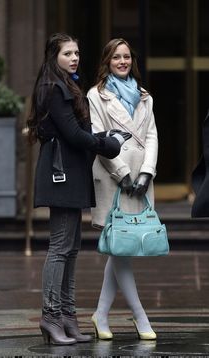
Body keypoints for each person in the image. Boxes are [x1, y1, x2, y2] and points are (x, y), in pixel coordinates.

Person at [26, 33, 131, 346]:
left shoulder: (67, 85)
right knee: (60, 247)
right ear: (53, 56)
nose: (74, 58)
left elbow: (79, 132)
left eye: (77, 52)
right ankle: (50, 316)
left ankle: (68, 317)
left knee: (71, 247)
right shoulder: (53, 88)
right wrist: (107, 145)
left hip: (72, 171)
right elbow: (72, 134)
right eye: (67, 53)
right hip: (61, 172)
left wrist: (103, 138)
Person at [87, 38, 158, 340]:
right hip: (114, 177)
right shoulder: (96, 95)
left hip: (139, 182)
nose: (123, 61)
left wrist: (146, 173)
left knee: (121, 248)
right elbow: (97, 138)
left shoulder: (145, 97)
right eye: (116, 57)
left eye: (127, 57)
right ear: (107, 61)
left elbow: (152, 135)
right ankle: (140, 316)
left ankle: (100, 315)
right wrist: (124, 173)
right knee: (121, 249)